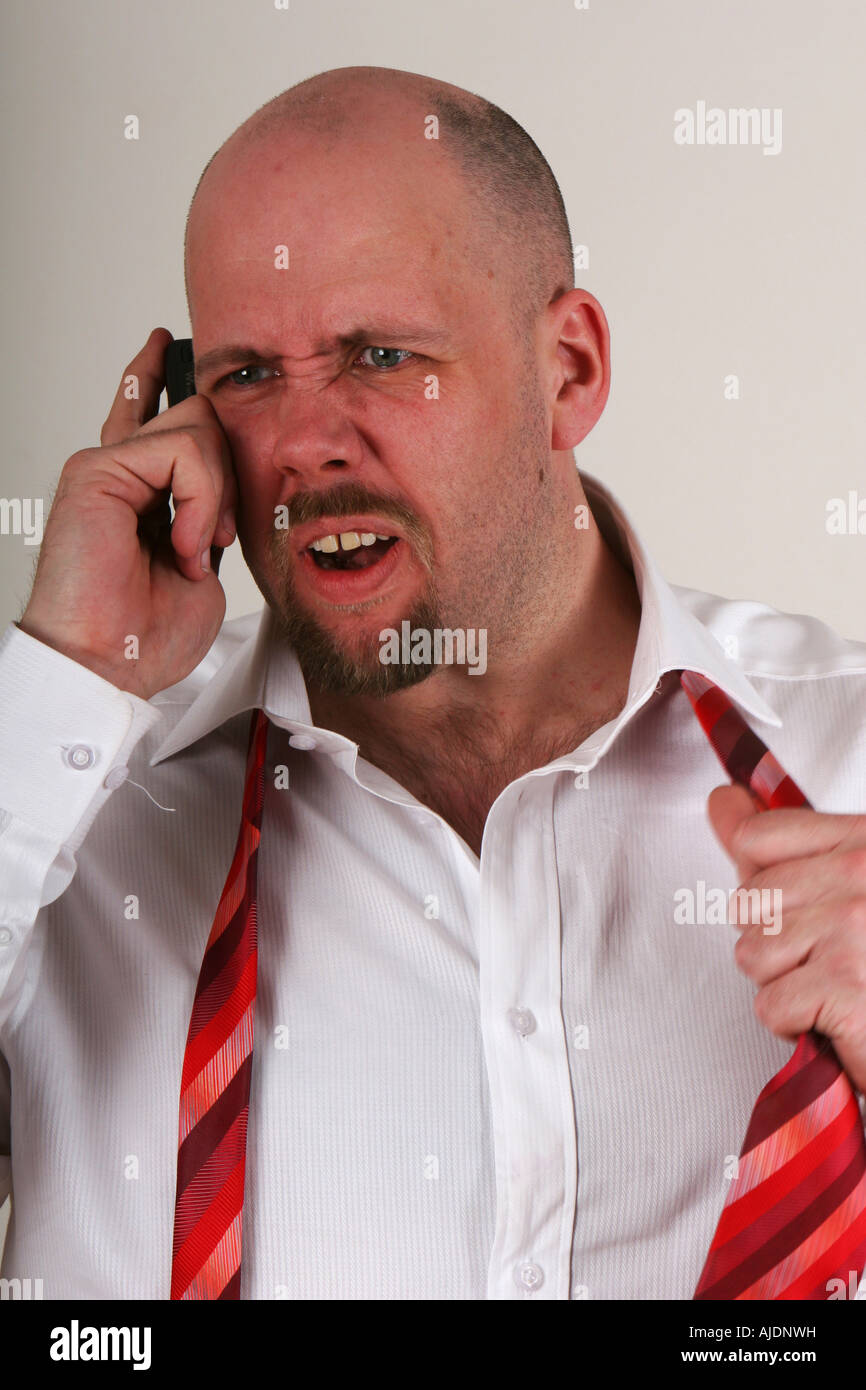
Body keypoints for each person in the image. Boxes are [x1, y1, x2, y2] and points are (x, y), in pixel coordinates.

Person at [2, 64, 865, 1302]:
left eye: (381, 354)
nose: (305, 441)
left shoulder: (843, 755)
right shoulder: (69, 822)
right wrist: (69, 670)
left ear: (567, 369)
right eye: (247, 375)